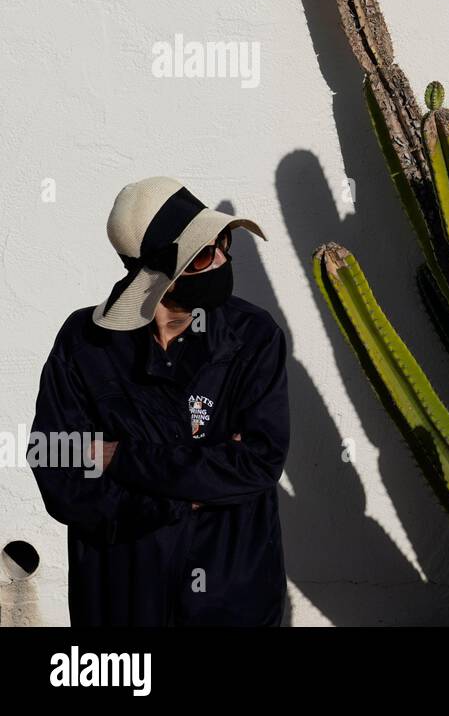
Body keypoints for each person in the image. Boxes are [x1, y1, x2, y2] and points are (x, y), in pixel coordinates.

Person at [29, 176, 290, 625]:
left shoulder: (254, 337)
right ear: (157, 274)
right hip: (120, 595)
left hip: (230, 598)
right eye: (205, 255)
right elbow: (58, 465)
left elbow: (257, 463)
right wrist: (178, 499)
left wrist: (118, 456)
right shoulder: (84, 343)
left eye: (224, 242)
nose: (225, 259)